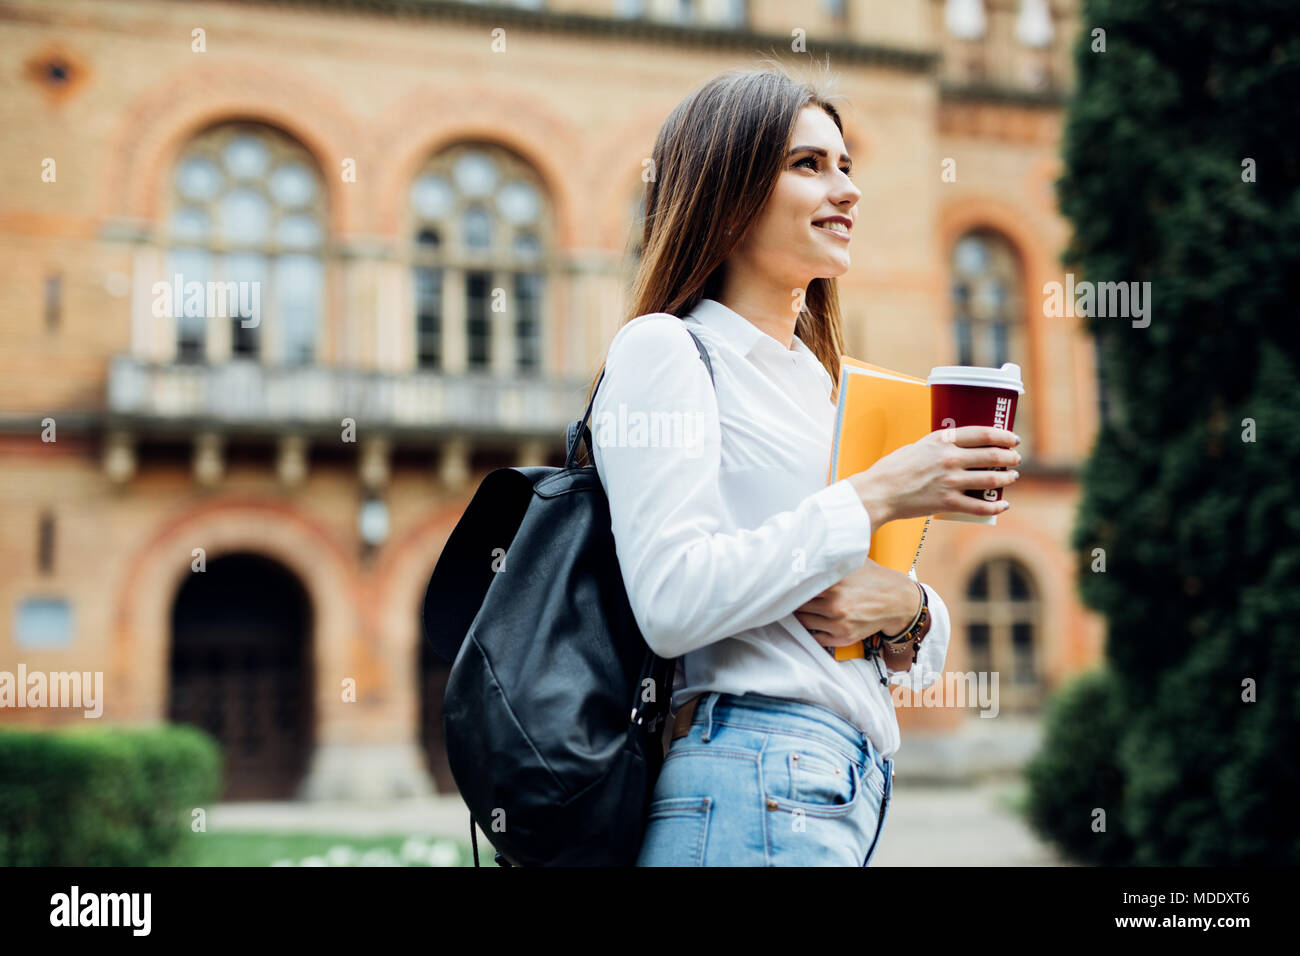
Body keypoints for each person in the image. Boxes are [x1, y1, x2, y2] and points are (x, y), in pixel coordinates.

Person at [588, 66, 1021, 866]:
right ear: (730, 190)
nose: (847, 190)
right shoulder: (669, 350)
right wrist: (878, 492)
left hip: (840, 784)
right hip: (753, 769)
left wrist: (907, 610)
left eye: (846, 165)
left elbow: (903, 650)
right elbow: (671, 601)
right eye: (808, 165)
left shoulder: (822, 389)